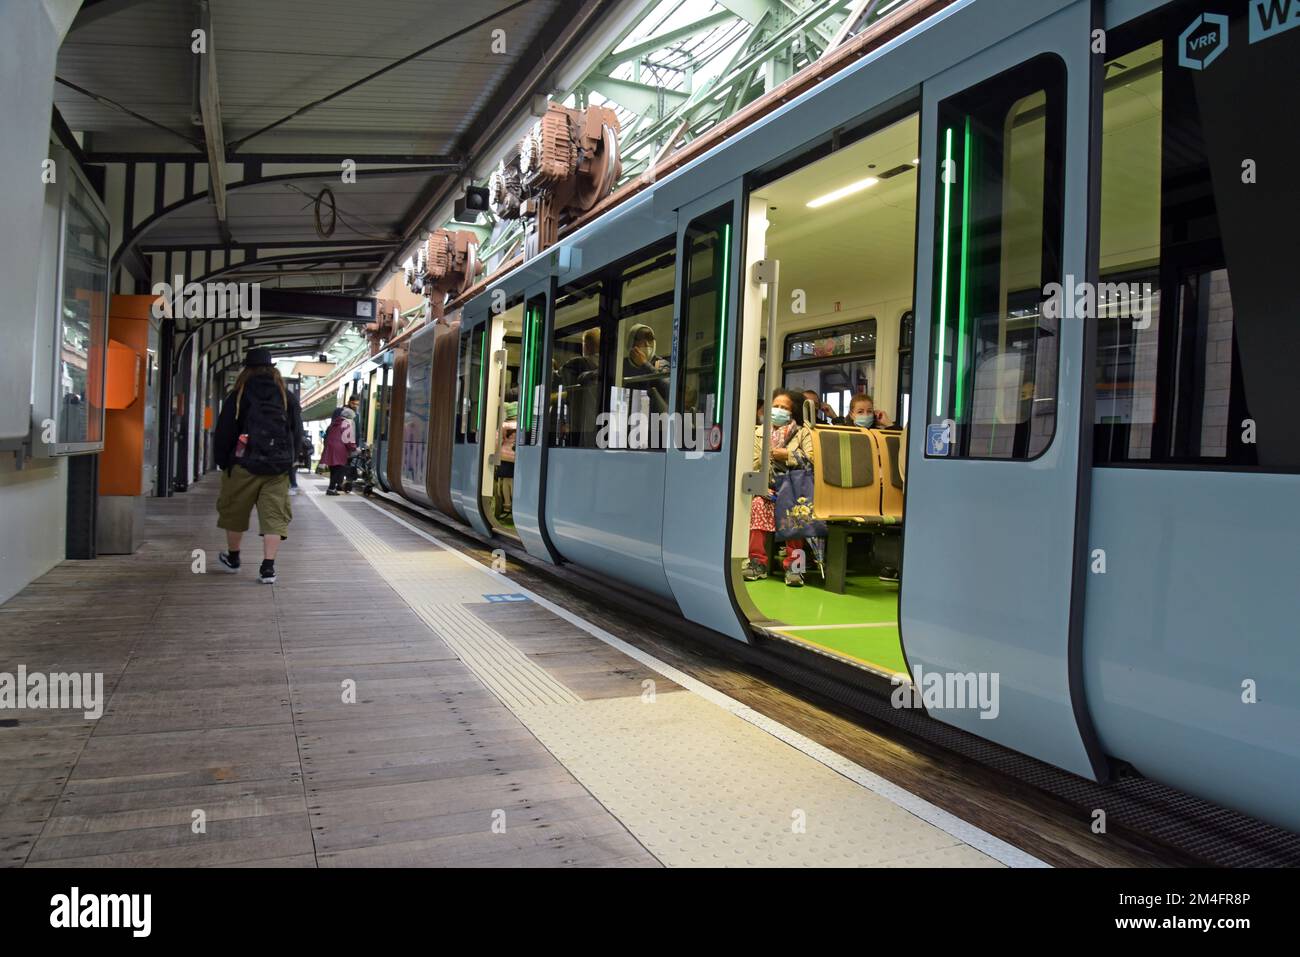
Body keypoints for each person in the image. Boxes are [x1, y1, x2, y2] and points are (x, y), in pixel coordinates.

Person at [213, 347, 303, 584]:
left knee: (235, 512)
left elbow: (224, 432)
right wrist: (289, 460)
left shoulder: (239, 395)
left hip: (243, 465)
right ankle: (268, 568)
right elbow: (297, 432)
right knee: (274, 516)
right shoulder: (286, 396)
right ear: (272, 369)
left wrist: (224, 462)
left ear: (247, 369)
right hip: (277, 469)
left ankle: (233, 559)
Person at [744, 389, 816, 587]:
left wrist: (788, 455)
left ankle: (796, 567)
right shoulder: (758, 433)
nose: (779, 411)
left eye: (784, 408)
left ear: (792, 413)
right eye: (776, 407)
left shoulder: (803, 433)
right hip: (766, 489)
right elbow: (749, 463)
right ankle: (757, 562)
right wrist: (768, 455)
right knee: (758, 505)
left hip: (795, 490)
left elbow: (812, 460)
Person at [621, 323, 669, 414]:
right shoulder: (622, 365)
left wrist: (645, 364)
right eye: (642, 340)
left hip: (653, 419)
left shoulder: (662, 364)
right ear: (631, 342)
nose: (647, 344)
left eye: (650, 340)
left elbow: (668, 389)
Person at [320, 405, 356, 495]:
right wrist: (354, 448)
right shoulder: (346, 423)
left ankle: (331, 488)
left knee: (333, 469)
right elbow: (347, 439)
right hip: (339, 449)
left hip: (330, 447)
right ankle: (331, 488)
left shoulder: (335, 422)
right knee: (339, 469)